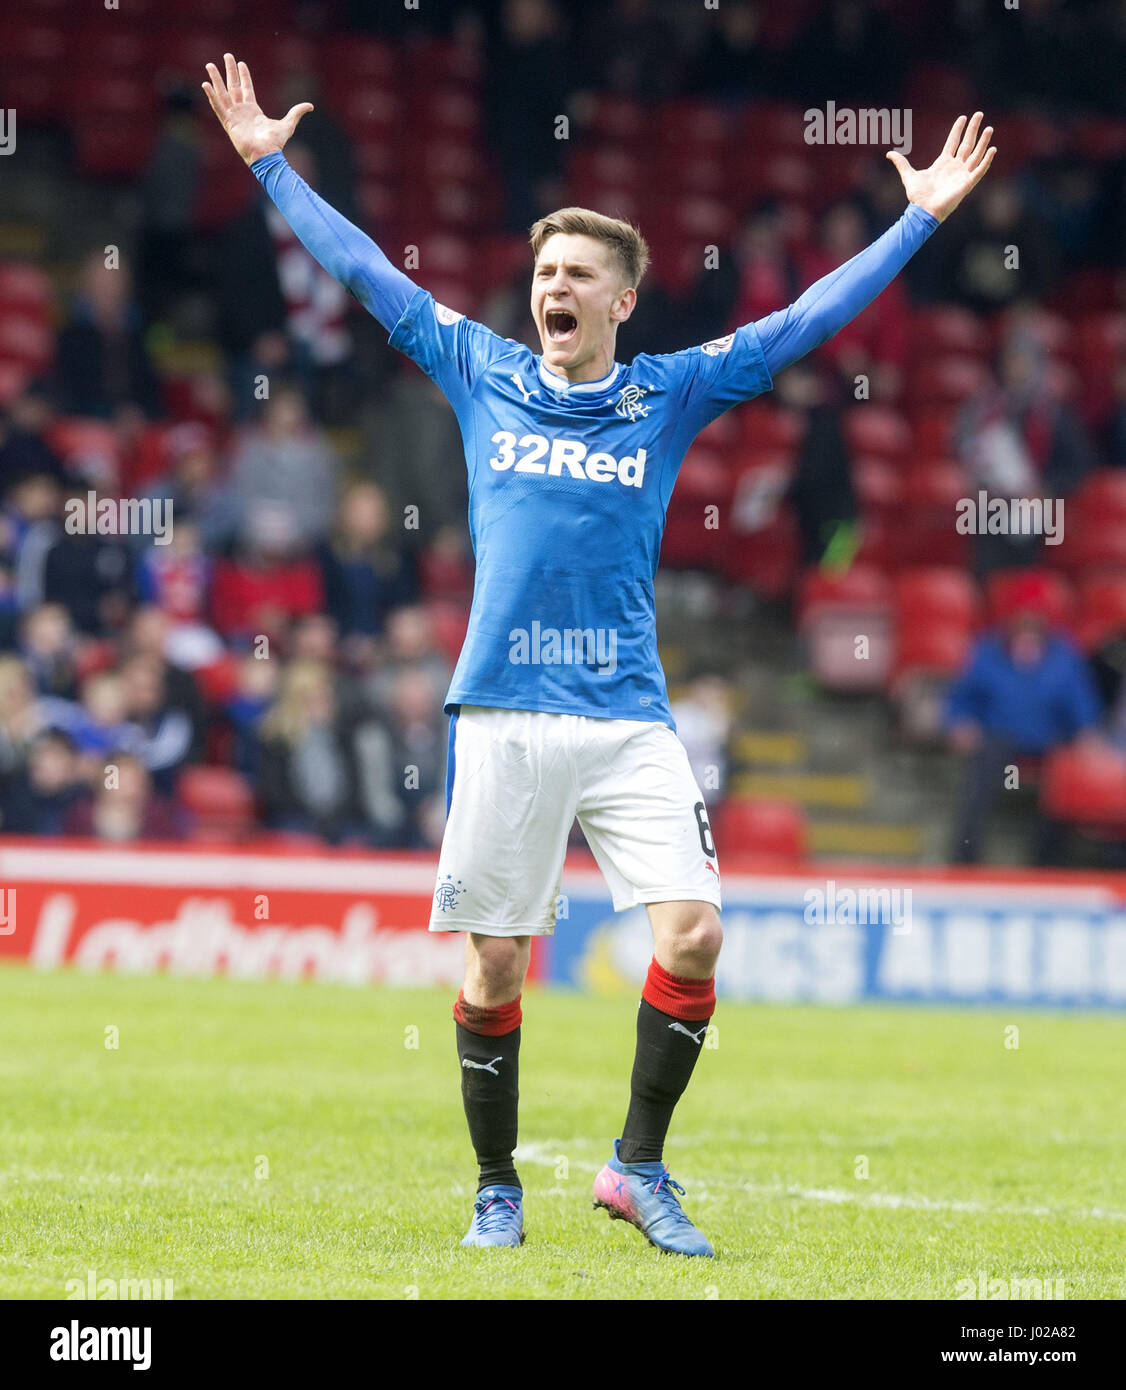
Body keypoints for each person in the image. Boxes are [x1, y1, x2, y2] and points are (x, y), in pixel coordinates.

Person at [204, 52, 996, 1255]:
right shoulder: (478, 369)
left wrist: (914, 223)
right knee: (497, 969)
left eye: (577, 274)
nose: (552, 287)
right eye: (542, 272)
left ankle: (635, 1166)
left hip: (628, 711)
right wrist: (269, 163)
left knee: (693, 935)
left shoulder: (667, 396)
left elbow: (803, 321)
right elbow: (364, 271)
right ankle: (495, 1188)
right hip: (505, 714)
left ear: (621, 300)